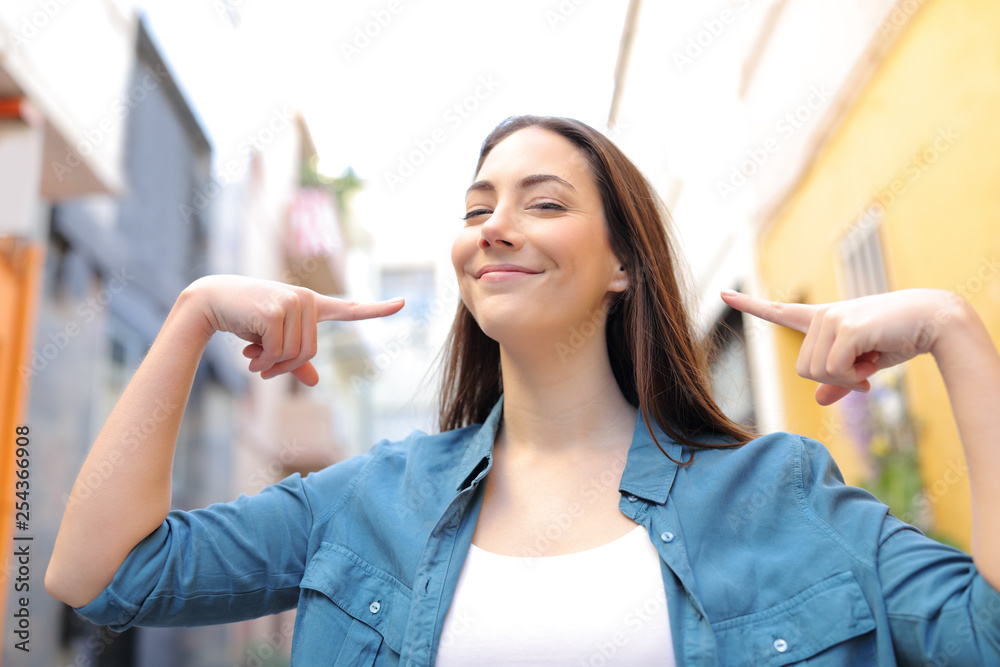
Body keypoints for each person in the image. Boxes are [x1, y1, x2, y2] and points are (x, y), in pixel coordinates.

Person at [46, 115, 1000, 665]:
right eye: (477, 208)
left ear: (623, 262)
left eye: (544, 202)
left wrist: (958, 334)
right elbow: (99, 573)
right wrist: (192, 315)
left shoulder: (777, 492)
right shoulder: (368, 500)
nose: (496, 226)